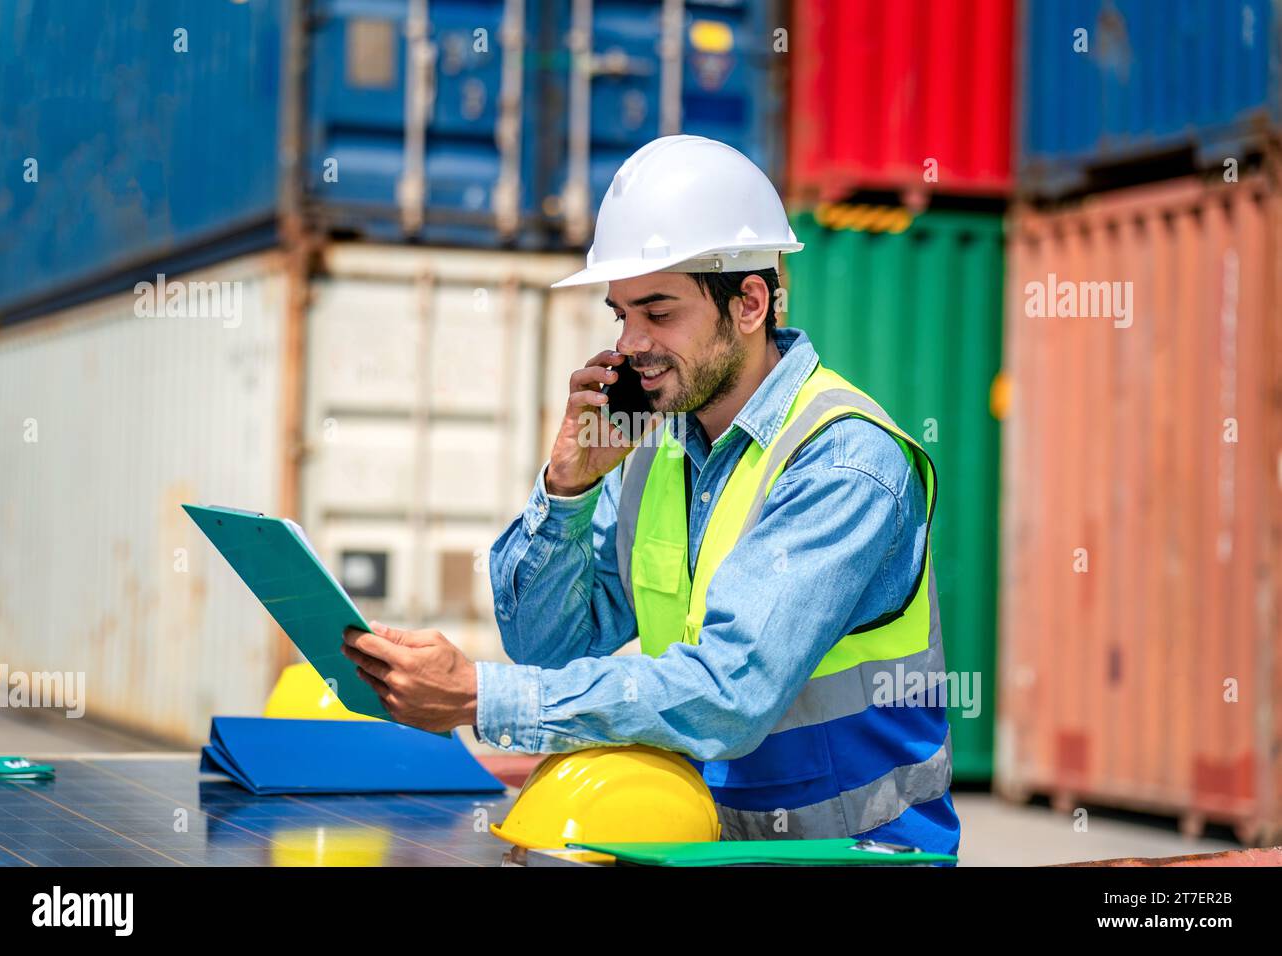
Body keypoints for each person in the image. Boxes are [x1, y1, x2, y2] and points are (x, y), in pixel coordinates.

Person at [342, 135, 960, 852]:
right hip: (712, 844)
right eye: (621, 314)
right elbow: (549, 646)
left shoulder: (844, 463)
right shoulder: (655, 449)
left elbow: (730, 696)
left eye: (658, 312)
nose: (631, 342)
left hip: (859, 855)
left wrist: (482, 696)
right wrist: (568, 491)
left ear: (751, 303)